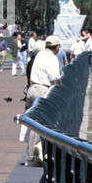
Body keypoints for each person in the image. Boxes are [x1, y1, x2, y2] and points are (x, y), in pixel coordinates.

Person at [23, 35, 63, 165]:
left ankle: (33, 153)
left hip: (32, 89)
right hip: (42, 90)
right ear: (57, 47)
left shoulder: (40, 55)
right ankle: (34, 156)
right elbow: (54, 79)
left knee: (34, 123)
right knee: (42, 124)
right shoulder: (52, 58)